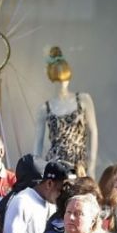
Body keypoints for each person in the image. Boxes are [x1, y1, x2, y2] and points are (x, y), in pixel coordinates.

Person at [34, 47, 98, 178]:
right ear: (52, 81)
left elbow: (94, 132)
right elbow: (37, 146)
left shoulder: (83, 100)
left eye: (65, 79)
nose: (62, 84)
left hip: (79, 167)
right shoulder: (45, 108)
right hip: (55, 167)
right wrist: (39, 169)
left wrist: (92, 167)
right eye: (58, 81)